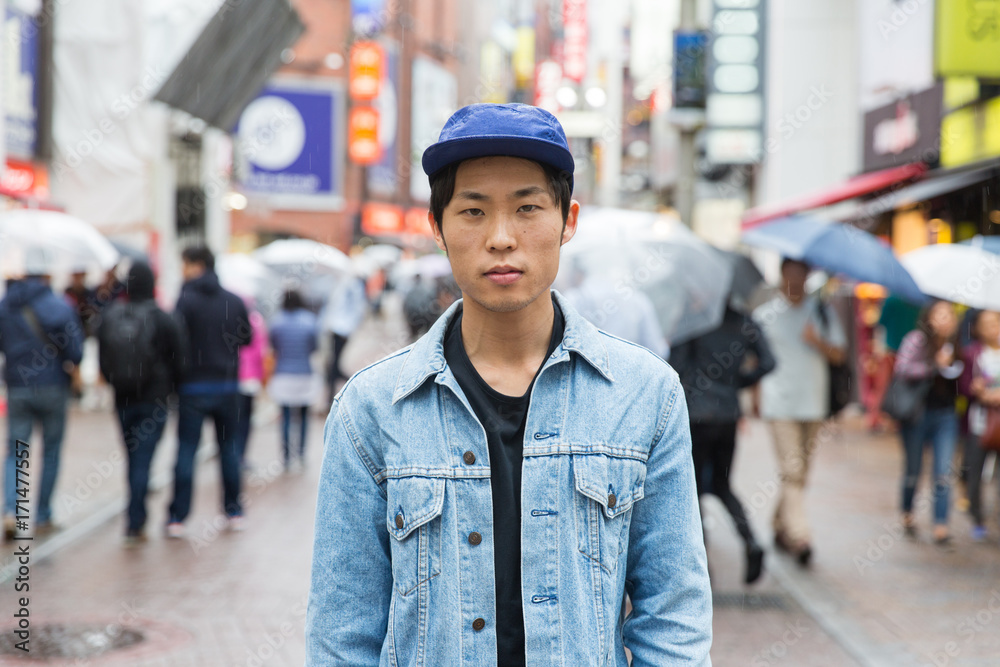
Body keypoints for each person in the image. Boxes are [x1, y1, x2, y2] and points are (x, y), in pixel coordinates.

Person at [306, 103, 712, 665]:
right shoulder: (372, 409)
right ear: (438, 227)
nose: (501, 237)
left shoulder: (645, 395)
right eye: (472, 211)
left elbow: (673, 616)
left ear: (568, 220)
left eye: (527, 208)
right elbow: (342, 632)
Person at [671, 305, 776, 584]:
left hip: (697, 416)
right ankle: (751, 541)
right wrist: (736, 382)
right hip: (727, 414)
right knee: (722, 485)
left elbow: (674, 368)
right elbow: (768, 362)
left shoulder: (692, 320)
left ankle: (701, 562)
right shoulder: (743, 321)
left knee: (691, 489)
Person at [753, 258, 846, 566]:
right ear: (781, 275)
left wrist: (816, 341)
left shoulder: (821, 311)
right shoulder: (765, 315)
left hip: (813, 403)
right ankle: (801, 535)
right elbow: (754, 361)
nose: (796, 280)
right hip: (779, 404)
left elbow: (839, 355)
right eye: (790, 274)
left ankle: (780, 525)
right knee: (792, 471)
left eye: (801, 274)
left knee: (800, 473)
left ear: (808, 276)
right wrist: (754, 397)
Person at [97, 261, 184, 545]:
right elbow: (180, 360)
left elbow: (102, 359)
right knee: (143, 459)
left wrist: (114, 382)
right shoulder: (163, 317)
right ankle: (135, 519)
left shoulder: (111, 315)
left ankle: (135, 517)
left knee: (132, 455)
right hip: (154, 399)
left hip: (122, 398)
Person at [167, 246, 250, 537]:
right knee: (229, 449)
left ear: (196, 264)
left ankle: (177, 516)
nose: (182, 270)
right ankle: (234, 511)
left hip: (192, 388)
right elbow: (247, 337)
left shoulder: (185, 300)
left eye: (185, 263)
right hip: (228, 386)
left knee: (187, 450)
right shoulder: (234, 300)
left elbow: (173, 342)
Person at [0, 250, 84, 539]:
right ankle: (42, 515)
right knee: (51, 451)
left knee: (16, 451)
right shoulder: (60, 306)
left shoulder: (6, 305)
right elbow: (76, 352)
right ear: (47, 274)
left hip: (18, 386)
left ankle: (12, 511)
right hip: (53, 386)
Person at [893, 300, 963, 546]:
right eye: (939, 314)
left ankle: (941, 525)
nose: (945, 320)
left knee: (943, 471)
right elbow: (902, 369)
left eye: (949, 315)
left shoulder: (956, 345)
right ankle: (907, 513)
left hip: (946, 415)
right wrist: (934, 366)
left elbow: (962, 382)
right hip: (918, 414)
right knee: (913, 469)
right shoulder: (917, 341)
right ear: (929, 318)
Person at [959, 309, 1000, 542]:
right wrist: (978, 391)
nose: (993, 328)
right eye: (987, 324)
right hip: (979, 423)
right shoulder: (972, 354)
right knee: (974, 473)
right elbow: (963, 387)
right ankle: (977, 518)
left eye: (996, 322)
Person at [268, 289, 319, 471]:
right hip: (305, 373)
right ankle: (302, 453)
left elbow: (273, 346)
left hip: (283, 374)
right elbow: (314, 347)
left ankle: (287, 457)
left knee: (286, 416)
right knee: (304, 415)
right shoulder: (310, 321)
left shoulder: (276, 322)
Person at [320, 273, 367, 404]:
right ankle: (333, 397)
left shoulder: (352, 285)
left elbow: (358, 308)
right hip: (335, 329)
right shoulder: (337, 285)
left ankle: (348, 390)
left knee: (334, 366)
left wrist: (351, 327)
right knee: (333, 365)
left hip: (342, 329)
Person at [236, 295, 268, 469]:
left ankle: (234, 454)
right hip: (250, 379)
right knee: (246, 419)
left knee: (234, 419)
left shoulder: (231, 320)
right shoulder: (256, 321)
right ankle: (241, 455)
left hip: (233, 378)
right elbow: (261, 352)